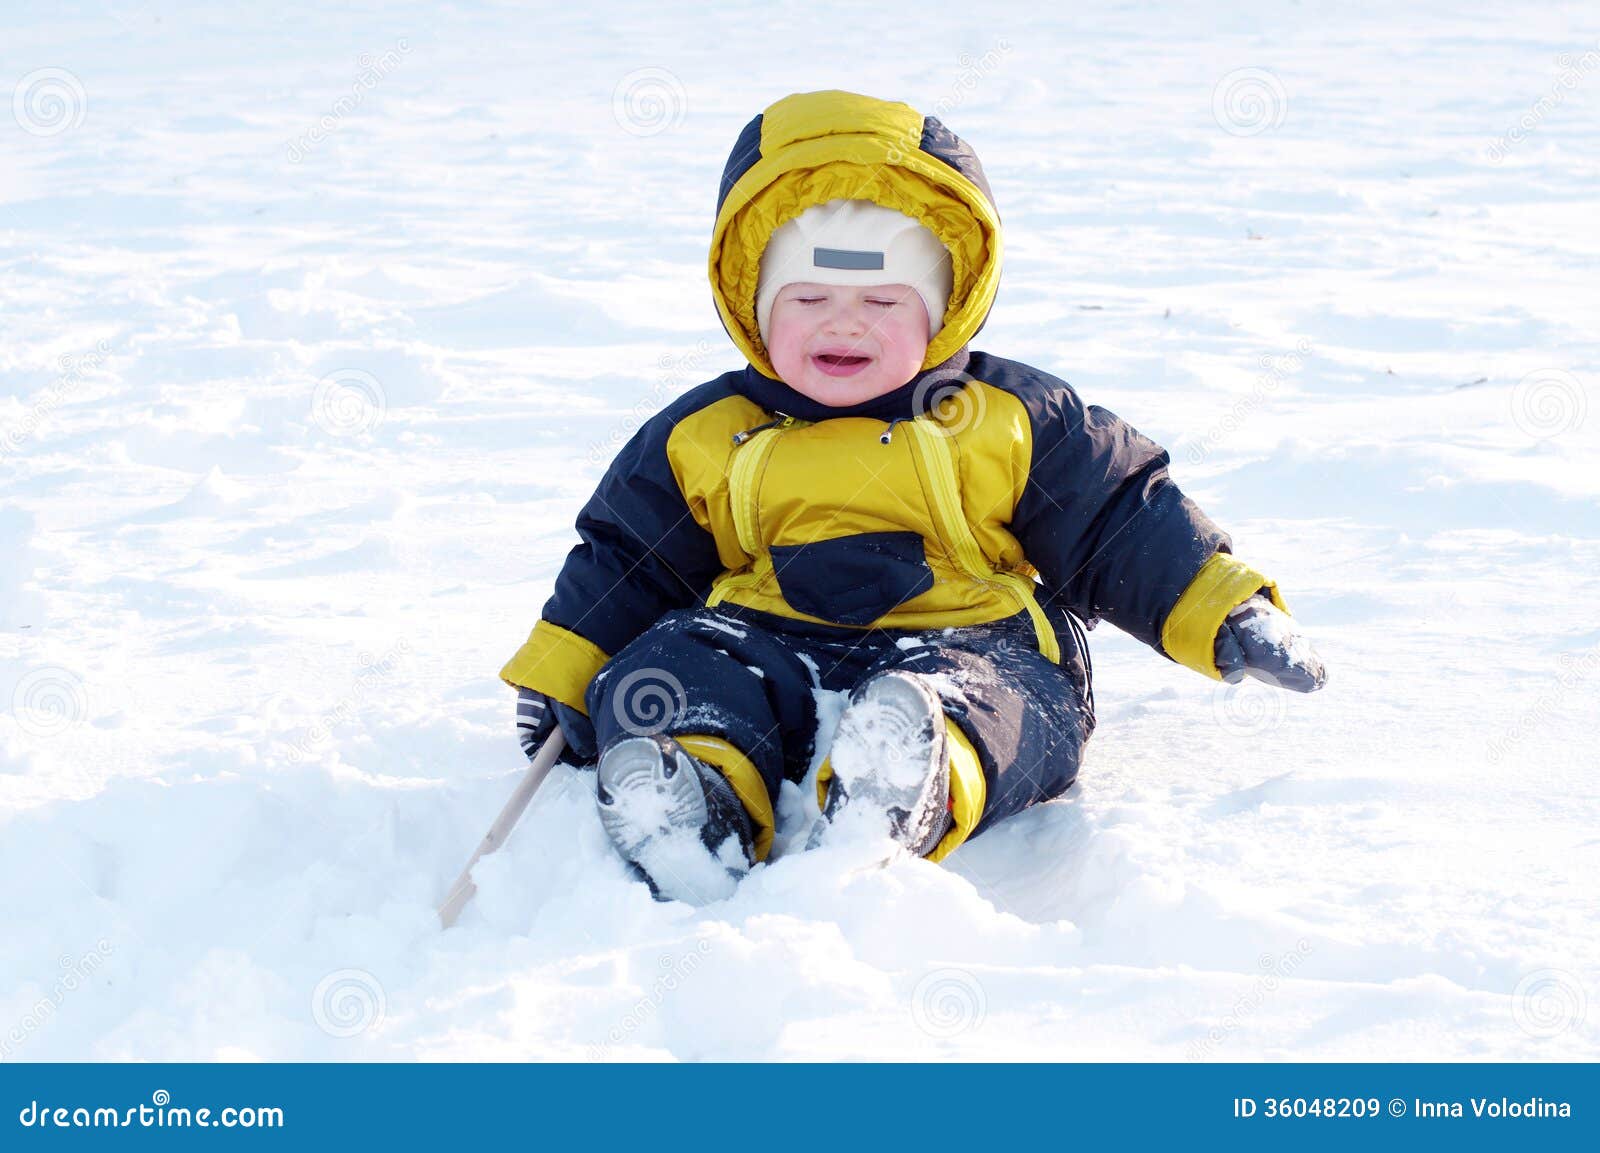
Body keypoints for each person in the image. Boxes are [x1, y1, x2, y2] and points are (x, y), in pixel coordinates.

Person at [501, 89, 1326, 904]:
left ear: (941, 310)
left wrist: (1223, 604)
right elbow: (628, 556)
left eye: (882, 301)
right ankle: (692, 793)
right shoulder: (711, 430)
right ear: (754, 305)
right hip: (769, 642)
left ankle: (911, 774)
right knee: (674, 662)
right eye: (810, 299)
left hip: (968, 639)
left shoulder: (1006, 418)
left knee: (999, 695)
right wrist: (566, 669)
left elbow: (1117, 516)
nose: (844, 324)